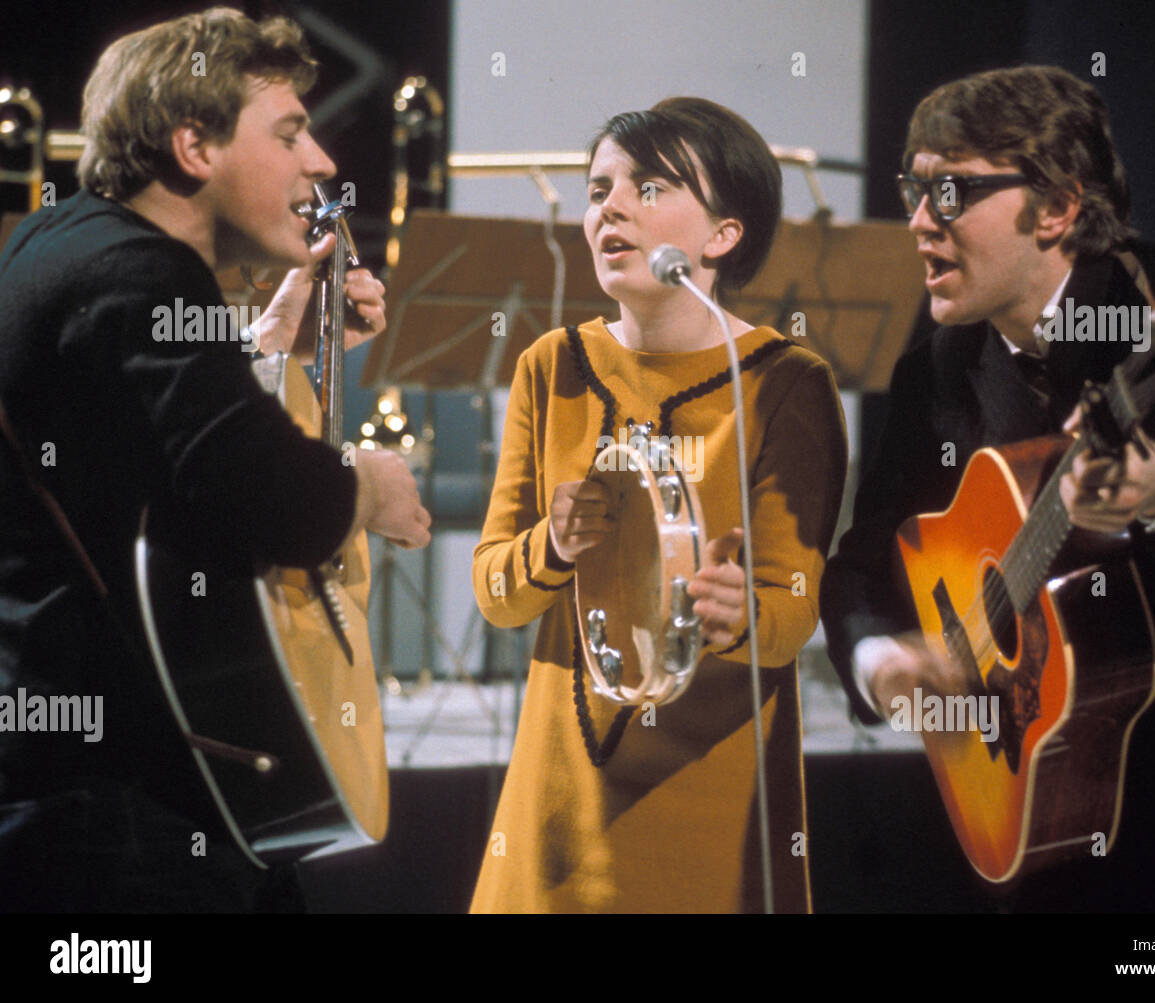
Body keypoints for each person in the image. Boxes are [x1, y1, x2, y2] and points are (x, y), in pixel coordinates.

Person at [820, 65, 1155, 910]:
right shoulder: (933, 371)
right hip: (1025, 819)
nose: (919, 222)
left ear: (1057, 208)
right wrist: (880, 661)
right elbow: (860, 564)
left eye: (953, 191)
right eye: (914, 189)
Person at [0, 7, 431, 913]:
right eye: (289, 133)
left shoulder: (64, 240)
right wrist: (372, 487)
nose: (321, 161)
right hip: (119, 817)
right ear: (195, 146)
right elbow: (277, 502)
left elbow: (152, 443)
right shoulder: (145, 274)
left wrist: (268, 347)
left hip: (80, 779)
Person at [469, 97, 847, 913]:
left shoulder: (789, 382)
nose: (608, 206)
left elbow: (792, 612)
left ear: (722, 235)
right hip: (561, 792)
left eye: (647, 187)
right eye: (599, 187)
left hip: (709, 794)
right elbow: (495, 595)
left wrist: (738, 610)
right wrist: (551, 547)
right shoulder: (551, 363)